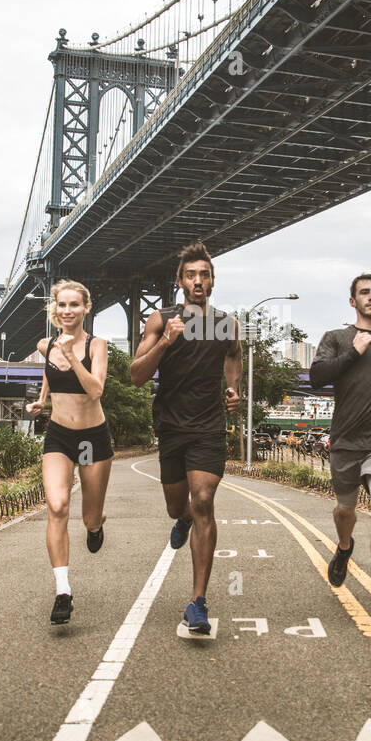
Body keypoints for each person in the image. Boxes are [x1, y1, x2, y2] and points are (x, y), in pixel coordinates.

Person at [130, 242, 242, 635]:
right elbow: (136, 375)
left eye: (204, 275)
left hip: (208, 426)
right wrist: (165, 341)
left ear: (212, 281)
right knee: (178, 505)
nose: (198, 281)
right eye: (191, 275)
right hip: (172, 427)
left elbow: (233, 355)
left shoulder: (226, 322)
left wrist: (232, 388)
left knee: (205, 501)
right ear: (179, 282)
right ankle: (181, 519)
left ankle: (197, 601)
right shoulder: (160, 320)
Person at [310, 274, 371, 619]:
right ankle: (344, 546)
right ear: (353, 301)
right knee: (345, 510)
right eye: (364, 293)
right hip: (345, 441)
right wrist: (355, 351)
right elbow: (318, 376)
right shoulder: (337, 338)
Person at [24, 280, 113, 625]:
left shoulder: (97, 345)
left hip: (91, 439)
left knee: (88, 516)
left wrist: (72, 356)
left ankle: (96, 525)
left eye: (75, 305)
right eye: (62, 305)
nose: (67, 311)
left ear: (86, 309)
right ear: (54, 309)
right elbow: (50, 374)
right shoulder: (45, 344)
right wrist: (42, 400)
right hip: (59, 436)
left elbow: (95, 390)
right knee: (58, 505)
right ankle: (63, 591)